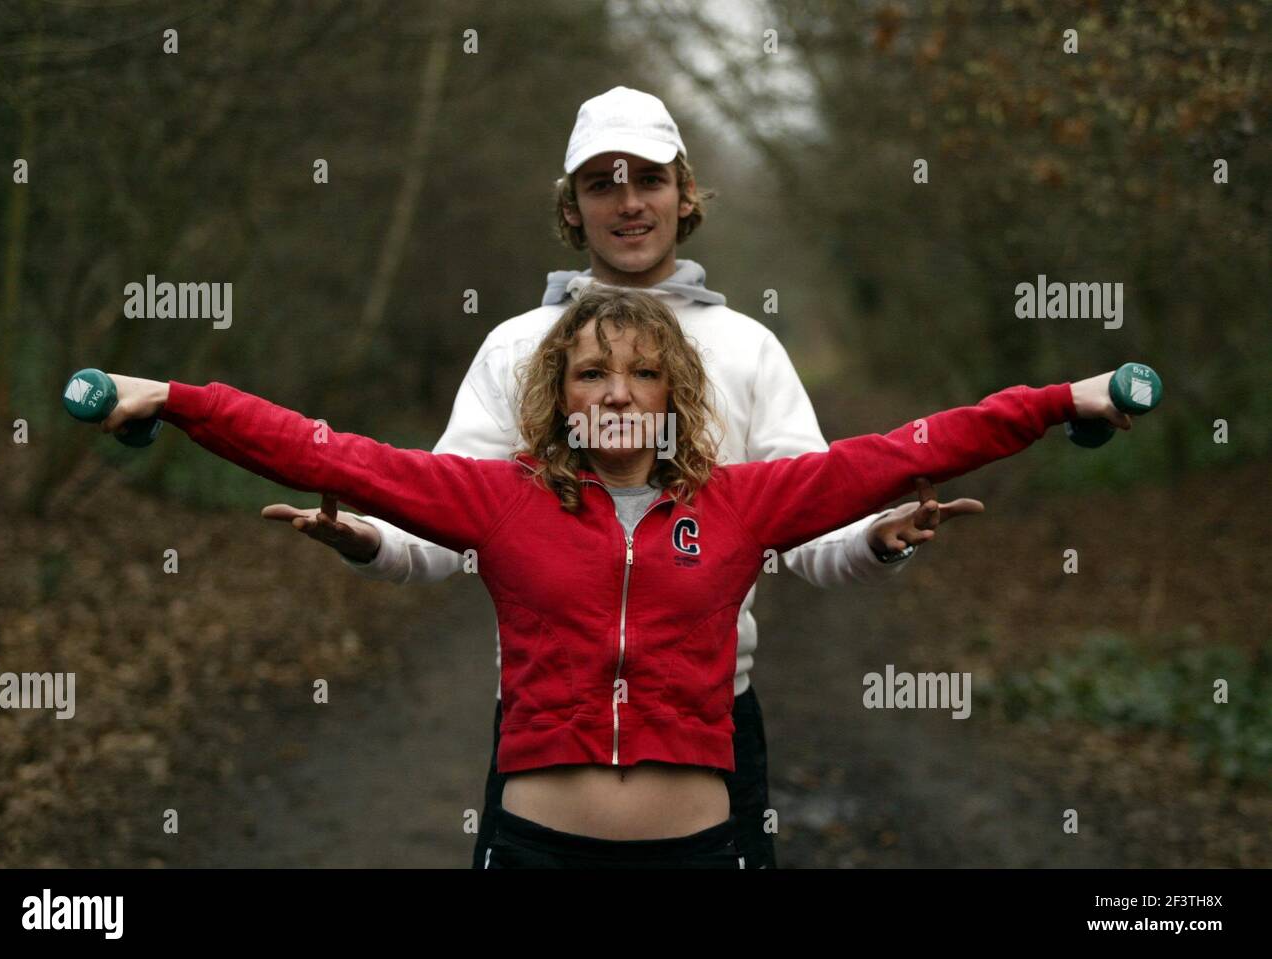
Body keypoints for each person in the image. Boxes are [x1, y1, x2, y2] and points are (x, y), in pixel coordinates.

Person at [87, 287, 1135, 868]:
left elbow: (911, 446)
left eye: (641, 370)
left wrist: (1054, 402)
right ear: (562, 395)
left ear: (675, 390)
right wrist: (174, 395)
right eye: (592, 370)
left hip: (700, 855)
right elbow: (327, 452)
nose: (618, 387)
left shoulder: (741, 502)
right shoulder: (496, 499)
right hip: (535, 851)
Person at [256, 86, 985, 869]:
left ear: (685, 194)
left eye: (649, 178)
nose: (628, 201)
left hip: (712, 725)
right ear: (572, 207)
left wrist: (877, 538)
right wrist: (370, 538)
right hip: (547, 731)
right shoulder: (517, 346)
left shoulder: (747, 349)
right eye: (602, 182)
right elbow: (446, 520)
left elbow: (806, 532)